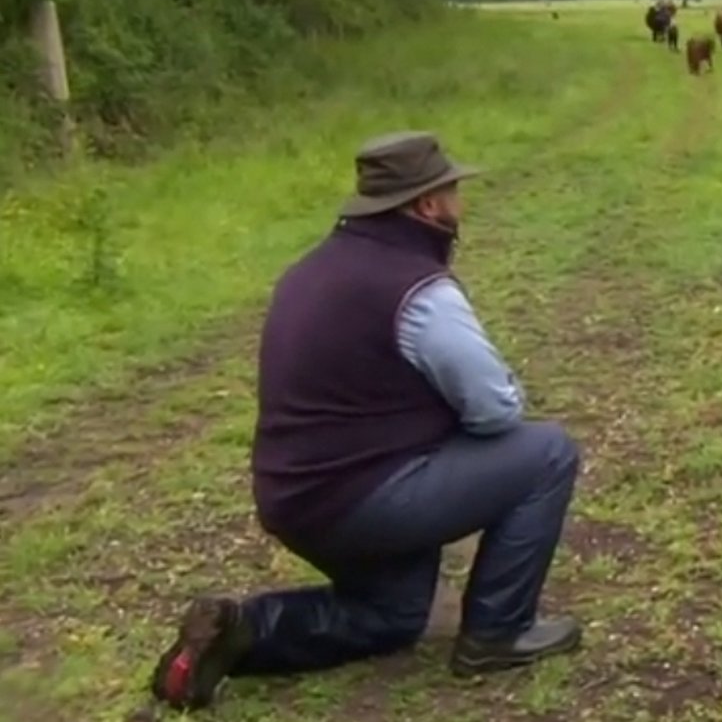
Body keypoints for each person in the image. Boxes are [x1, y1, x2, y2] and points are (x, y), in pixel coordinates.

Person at [148, 131, 584, 711]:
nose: (460, 202)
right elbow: (495, 408)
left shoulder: (308, 270)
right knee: (547, 452)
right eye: (453, 190)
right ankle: (497, 634)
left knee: (392, 616)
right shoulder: (419, 290)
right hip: (369, 495)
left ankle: (239, 632)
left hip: (295, 498)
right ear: (428, 205)